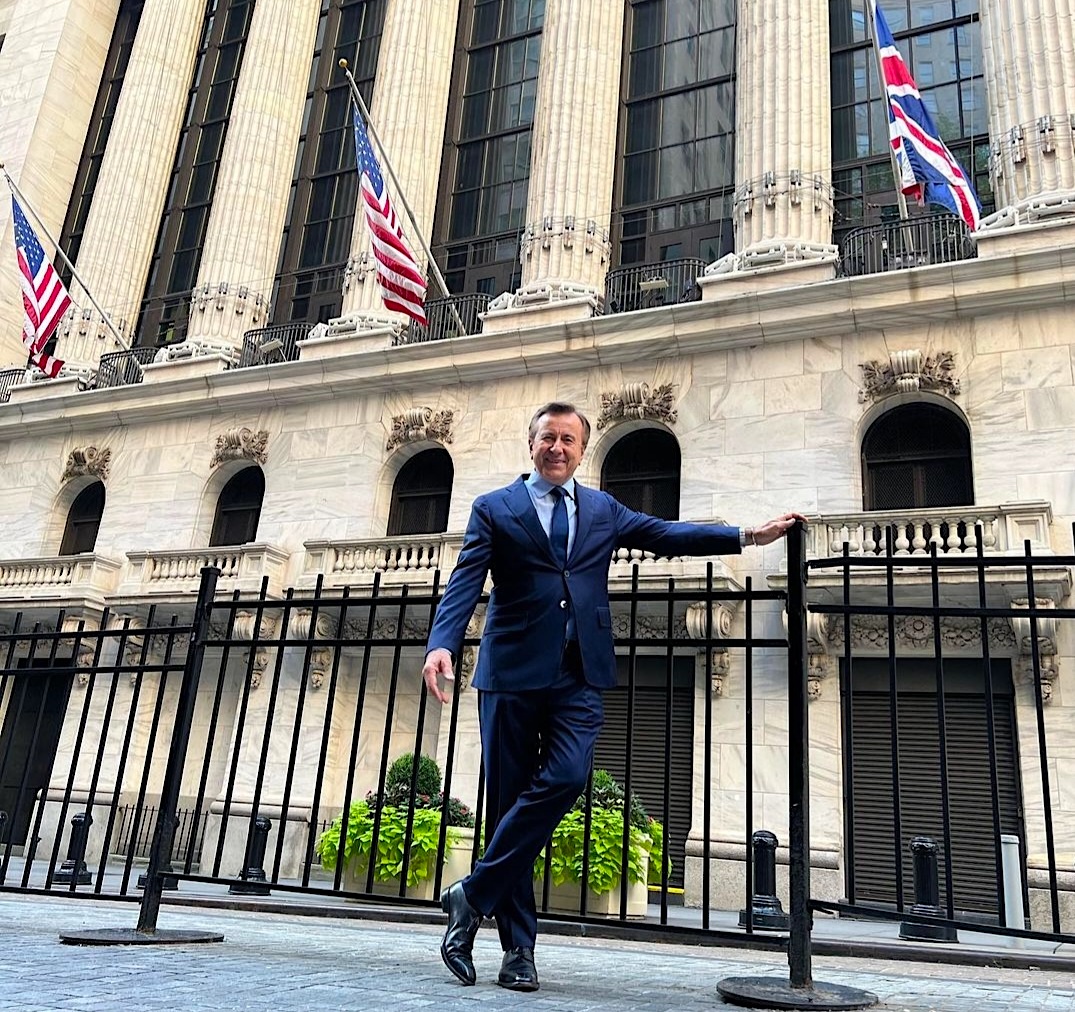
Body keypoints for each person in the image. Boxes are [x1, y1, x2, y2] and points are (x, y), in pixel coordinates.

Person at [422, 401, 805, 992]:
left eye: (569, 440)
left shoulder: (602, 509)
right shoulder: (494, 508)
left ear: (583, 449)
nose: (557, 447)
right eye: (548, 437)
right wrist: (441, 643)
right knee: (508, 806)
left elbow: (665, 535)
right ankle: (518, 951)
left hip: (579, 672)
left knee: (570, 777)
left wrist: (746, 535)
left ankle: (470, 896)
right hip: (511, 672)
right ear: (532, 445)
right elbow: (465, 579)